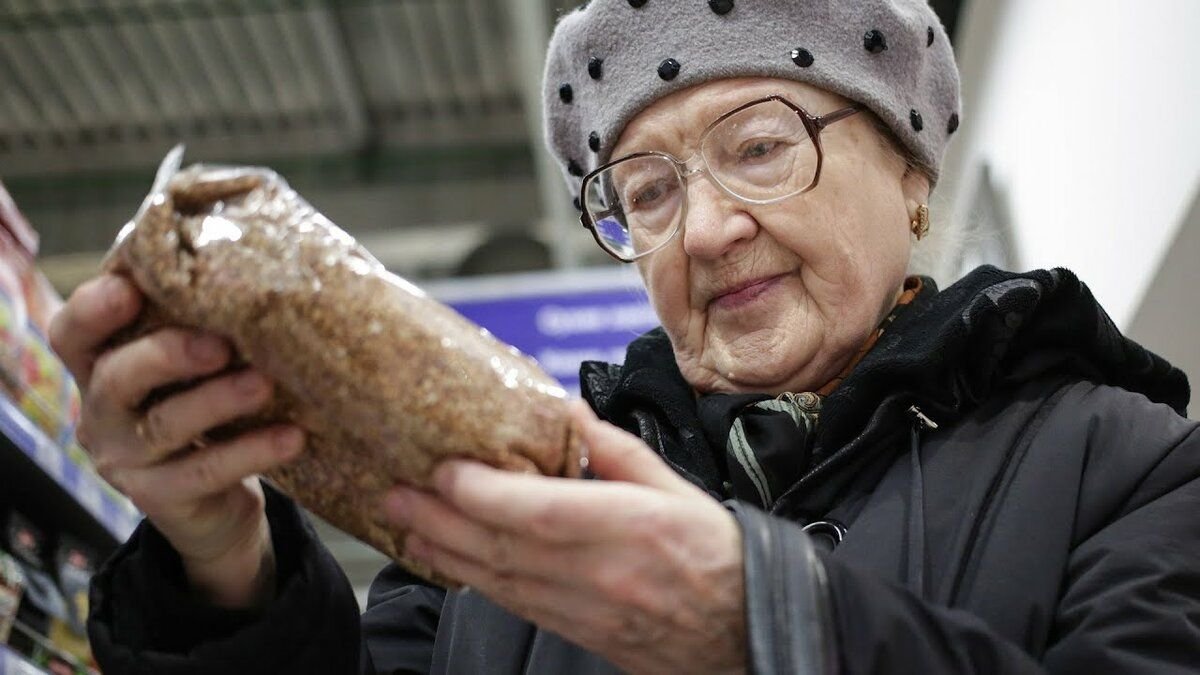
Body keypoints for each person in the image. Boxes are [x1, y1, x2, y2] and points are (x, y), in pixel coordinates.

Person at [48, 1, 1200, 673]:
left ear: (910, 176)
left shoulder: (1137, 470)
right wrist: (221, 563)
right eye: (645, 192)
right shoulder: (497, 514)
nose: (700, 230)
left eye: (759, 147)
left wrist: (765, 624)